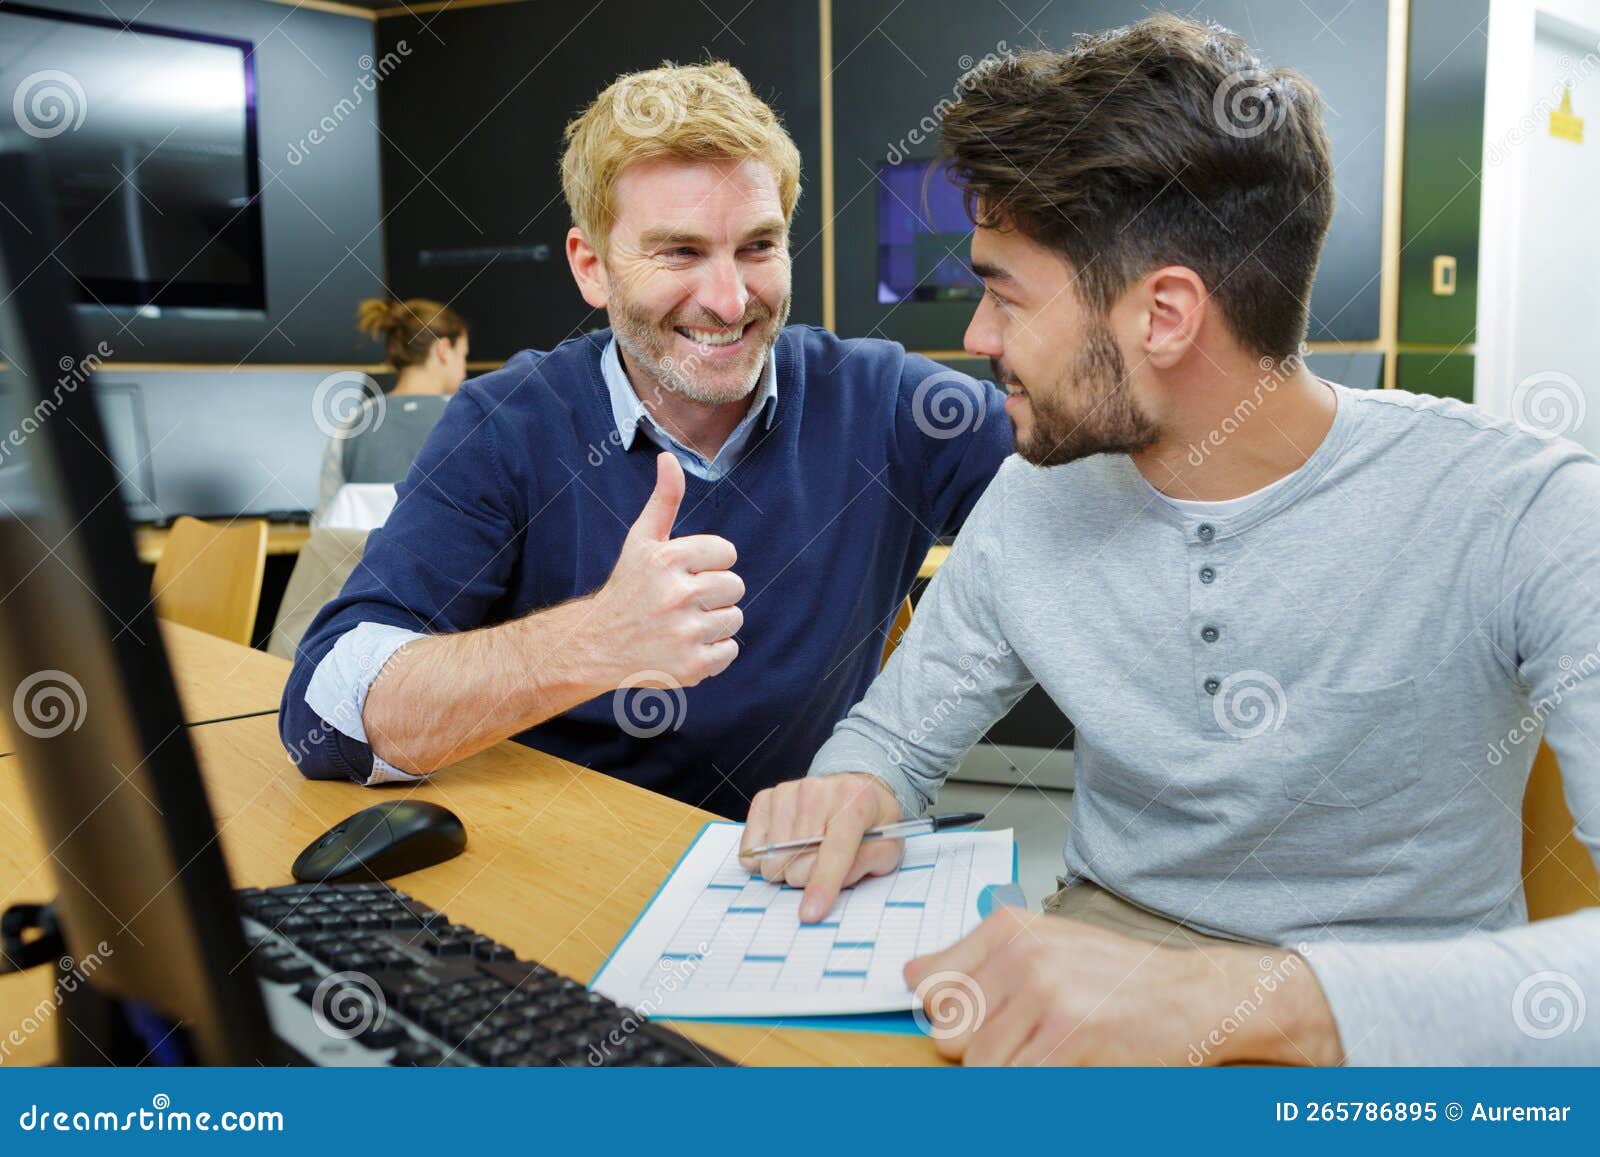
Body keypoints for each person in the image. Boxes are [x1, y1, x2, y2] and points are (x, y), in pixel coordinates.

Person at [740, 15, 1599, 1065]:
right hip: (1101, 971)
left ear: (1164, 315)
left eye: (1003, 293)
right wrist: (851, 787)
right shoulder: (1033, 497)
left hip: (1399, 1036)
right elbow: (893, 743)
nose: (975, 337)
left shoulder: (1529, 511)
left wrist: (1226, 1001)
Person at [279, 62, 1011, 819]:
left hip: (797, 867)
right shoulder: (505, 425)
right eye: (679, 252)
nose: (729, 300)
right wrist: (596, 639)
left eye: (758, 246)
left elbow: (1079, 476)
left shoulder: (889, 403)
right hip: (569, 863)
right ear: (592, 267)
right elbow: (323, 714)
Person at [311, 297, 471, 528]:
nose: (464, 371)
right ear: (443, 350)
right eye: (463, 355)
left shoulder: (354, 422)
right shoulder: (468, 420)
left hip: (361, 552)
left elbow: (325, 522)